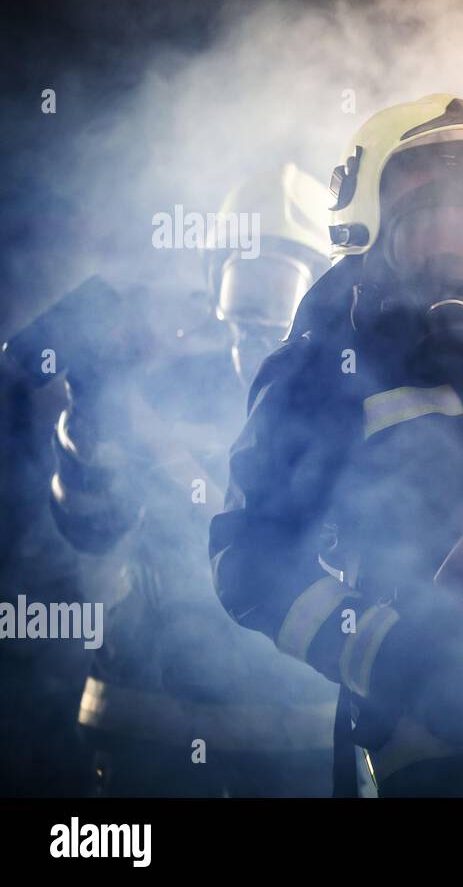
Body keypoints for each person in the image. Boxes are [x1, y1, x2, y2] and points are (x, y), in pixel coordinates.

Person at [209, 94, 463, 796]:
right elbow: (243, 557)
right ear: (368, 231)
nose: (451, 248)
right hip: (431, 758)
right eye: (427, 222)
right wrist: (402, 658)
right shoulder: (318, 370)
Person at [45, 165, 338, 795]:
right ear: (218, 293)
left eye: (279, 304)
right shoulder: (159, 393)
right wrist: (90, 413)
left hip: (297, 735)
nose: (258, 340)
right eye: (246, 312)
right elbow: (90, 526)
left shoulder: (352, 411)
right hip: (145, 724)